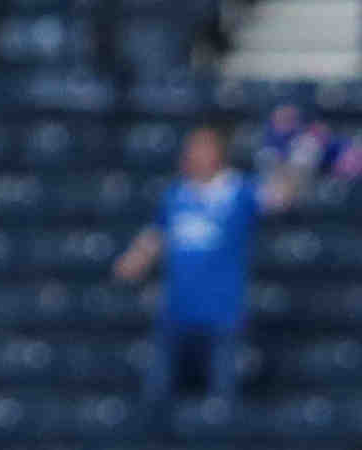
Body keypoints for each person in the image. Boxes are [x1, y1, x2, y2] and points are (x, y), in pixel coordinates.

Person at [112, 121, 300, 416]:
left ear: (218, 152)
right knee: (156, 400)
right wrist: (133, 260)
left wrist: (292, 156)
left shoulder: (238, 190)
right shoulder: (177, 194)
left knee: (222, 402)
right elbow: (156, 234)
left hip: (222, 316)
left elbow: (280, 198)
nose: (193, 154)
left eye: (201, 147)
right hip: (176, 313)